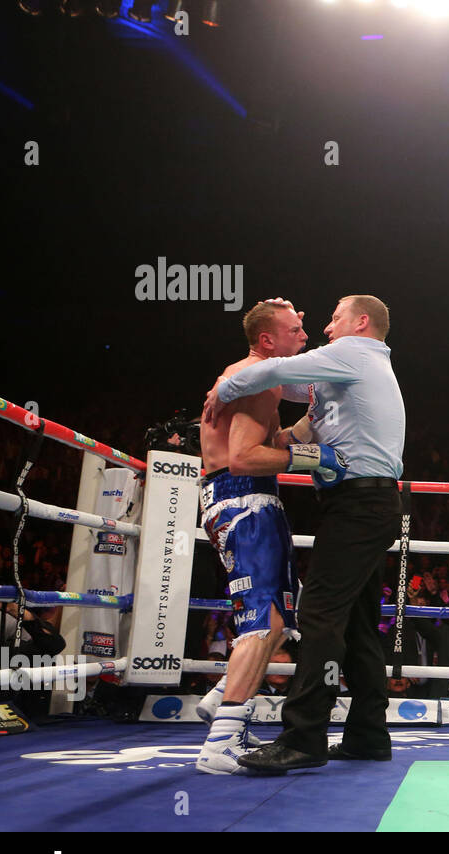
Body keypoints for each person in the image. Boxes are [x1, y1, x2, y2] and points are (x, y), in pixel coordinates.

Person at [203, 294, 405, 772]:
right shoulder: (342, 377)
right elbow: (298, 409)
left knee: (318, 614)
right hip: (363, 502)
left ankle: (304, 738)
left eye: (334, 320)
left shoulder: (356, 352)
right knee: (357, 626)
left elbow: (273, 373)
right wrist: (293, 439)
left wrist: (224, 389)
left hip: (360, 502)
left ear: (360, 322)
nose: (326, 329)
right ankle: (368, 736)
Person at [192, 299, 309, 774]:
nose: (304, 335)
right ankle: (219, 745)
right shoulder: (259, 379)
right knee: (261, 620)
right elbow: (242, 458)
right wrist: (314, 461)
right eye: (295, 329)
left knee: (278, 615)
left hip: (243, 501)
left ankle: (222, 700)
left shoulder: (250, 376)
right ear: (268, 339)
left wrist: (309, 428)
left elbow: (266, 442)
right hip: (244, 501)